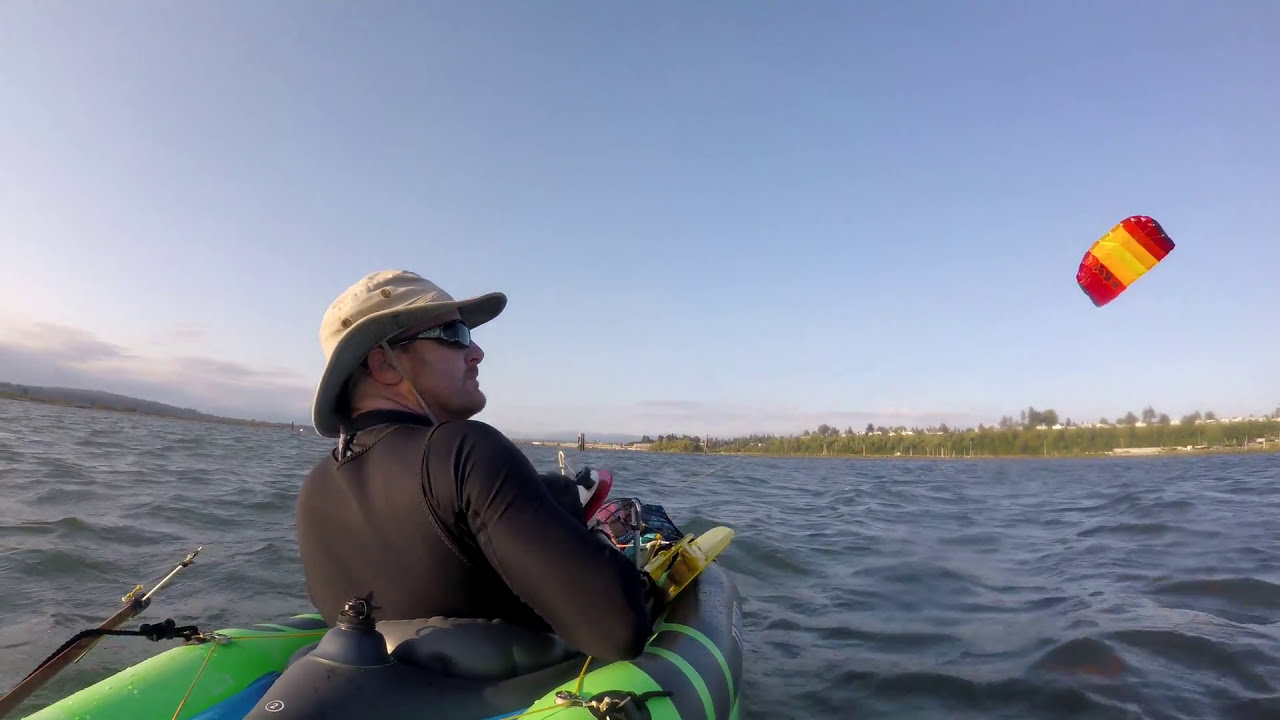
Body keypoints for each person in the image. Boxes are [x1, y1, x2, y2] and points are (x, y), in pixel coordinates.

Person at [295, 270, 664, 662]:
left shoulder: (313, 490)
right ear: (385, 364)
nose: (477, 353)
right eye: (455, 335)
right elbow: (618, 629)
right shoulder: (465, 450)